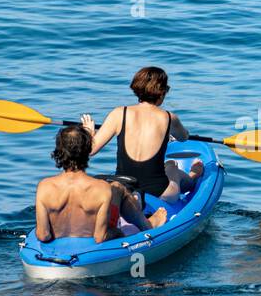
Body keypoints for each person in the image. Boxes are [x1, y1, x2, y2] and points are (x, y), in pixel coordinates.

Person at [81, 66, 204, 202]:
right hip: (160, 192)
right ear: (161, 92)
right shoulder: (169, 118)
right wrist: (170, 133)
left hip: (125, 189)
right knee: (171, 166)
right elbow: (184, 137)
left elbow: (90, 150)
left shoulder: (118, 113)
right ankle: (193, 176)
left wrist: (88, 131)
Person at [35, 124, 167, 243]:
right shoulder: (102, 189)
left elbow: (43, 235)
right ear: (88, 151)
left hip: (54, 255)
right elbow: (100, 237)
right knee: (117, 187)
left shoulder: (44, 187)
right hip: (92, 247)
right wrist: (120, 232)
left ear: (59, 151)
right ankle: (148, 225)